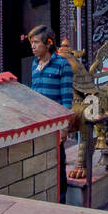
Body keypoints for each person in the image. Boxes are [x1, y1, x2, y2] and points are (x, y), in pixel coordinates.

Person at [25, 25, 72, 203]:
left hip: (54, 121)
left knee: (58, 163)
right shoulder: (34, 64)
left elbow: (67, 98)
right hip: (38, 119)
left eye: (37, 42)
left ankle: (61, 201)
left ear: (48, 43)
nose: (33, 46)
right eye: (32, 42)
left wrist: (64, 127)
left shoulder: (62, 65)